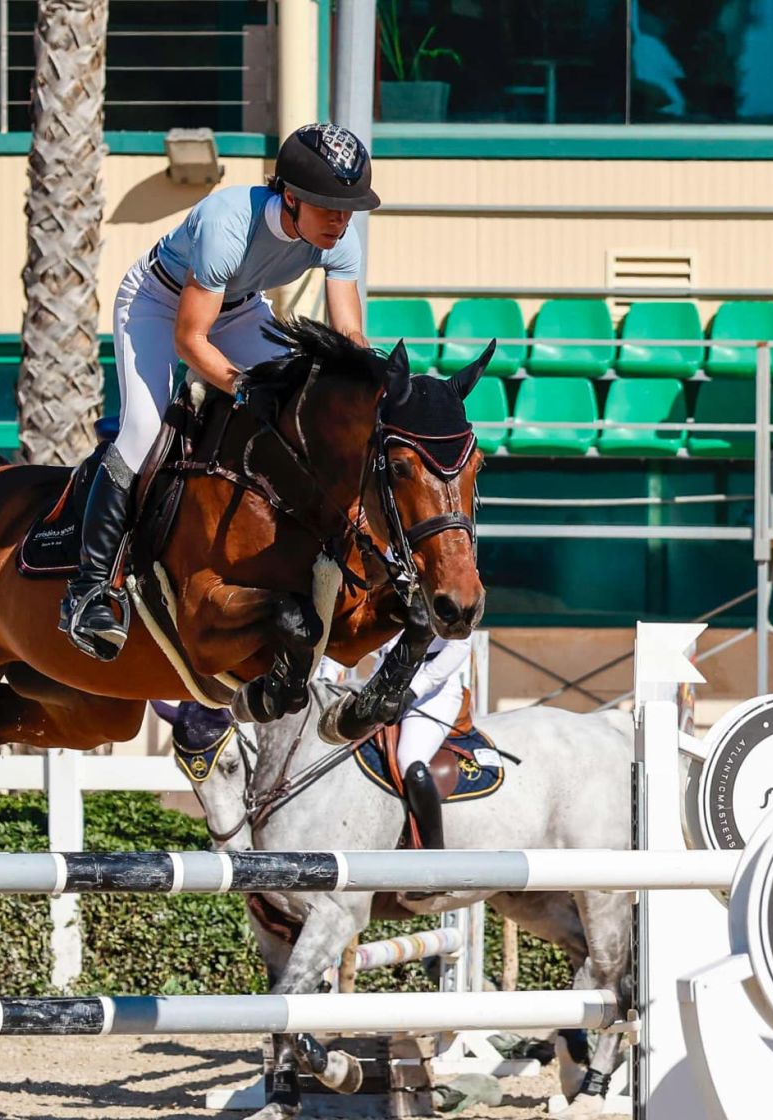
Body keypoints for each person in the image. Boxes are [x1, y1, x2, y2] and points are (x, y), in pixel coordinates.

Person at [59, 123, 381, 660]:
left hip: (241, 309)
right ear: (291, 197)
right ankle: (87, 590)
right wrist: (239, 386)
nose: (341, 219)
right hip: (158, 307)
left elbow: (350, 335)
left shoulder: (339, 237)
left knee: (298, 407)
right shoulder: (227, 221)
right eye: (328, 207)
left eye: (348, 207)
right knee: (143, 430)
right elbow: (190, 339)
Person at [385, 632, 474, 852]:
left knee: (410, 760)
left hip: (432, 690)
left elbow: (460, 644)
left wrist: (416, 687)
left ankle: (434, 856)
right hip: (384, 680)